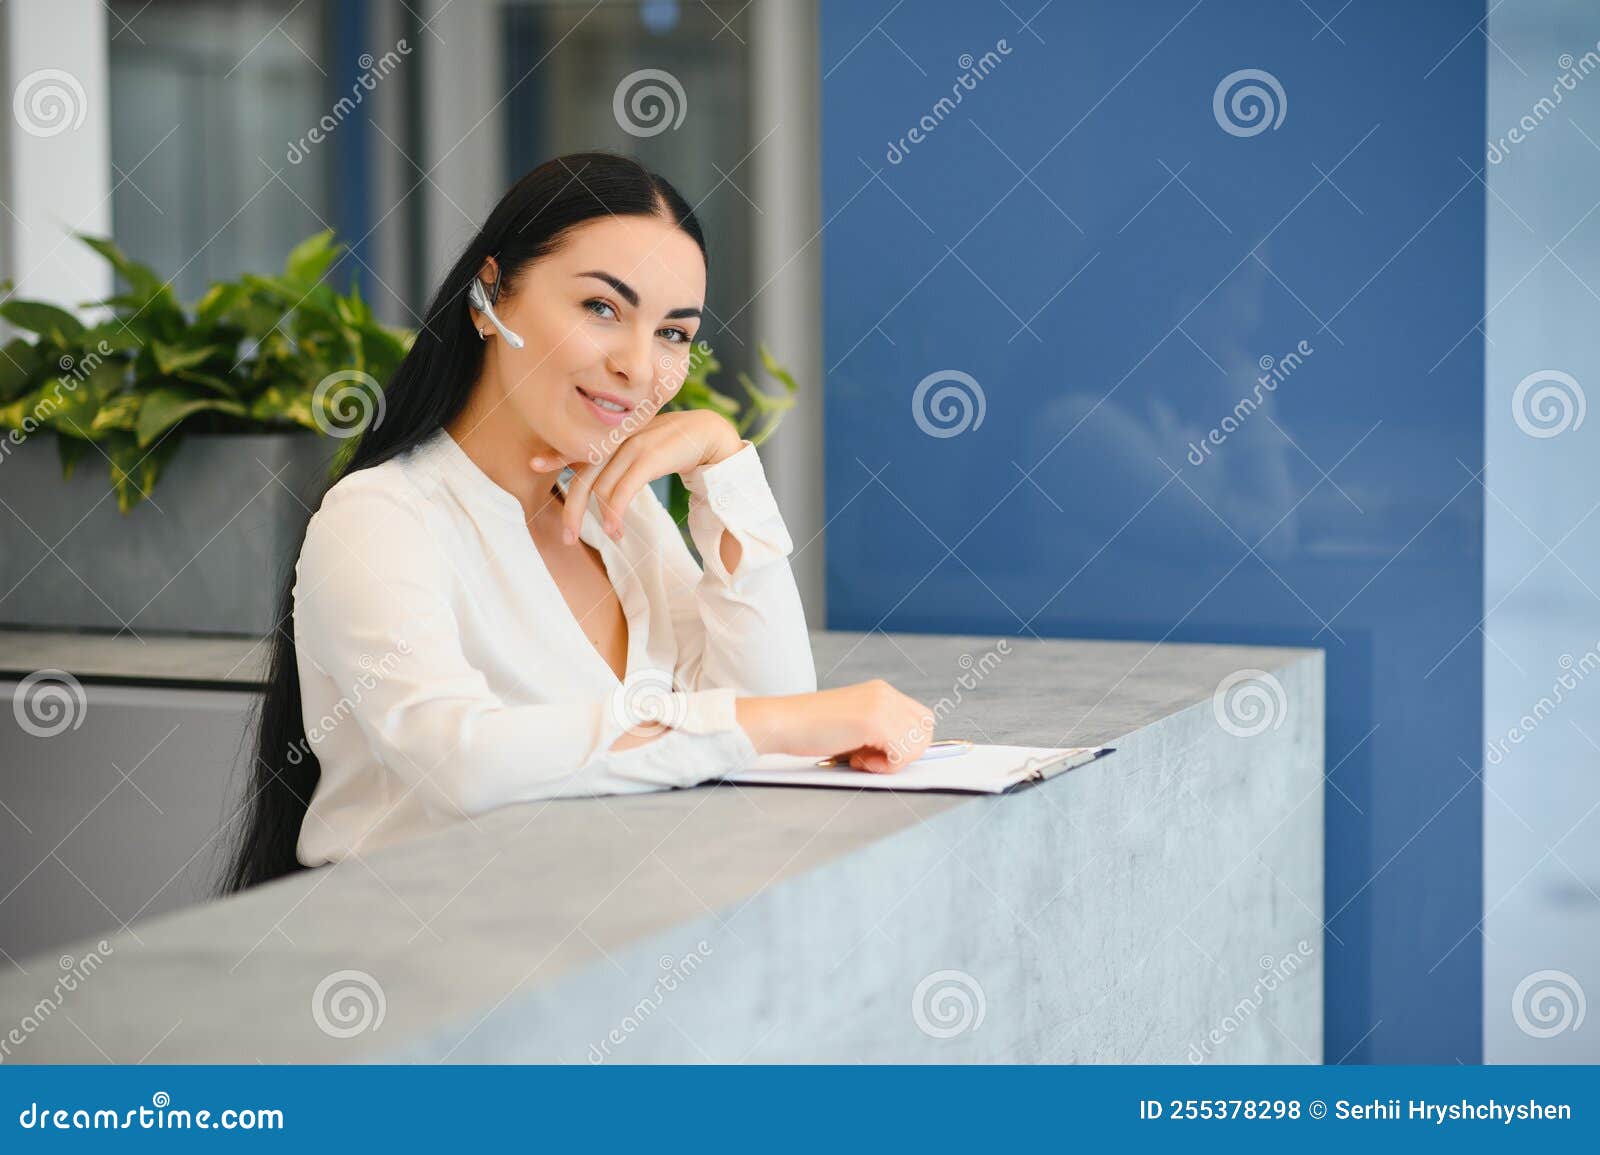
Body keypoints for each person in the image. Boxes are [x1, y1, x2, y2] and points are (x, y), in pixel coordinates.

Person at [222, 152, 935, 893]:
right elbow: (459, 759)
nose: (638, 364)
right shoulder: (380, 519)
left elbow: (775, 700)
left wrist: (723, 465)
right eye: (603, 308)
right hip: (420, 967)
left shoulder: (619, 519)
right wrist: (775, 723)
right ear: (488, 297)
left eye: (674, 333)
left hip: (595, 948)